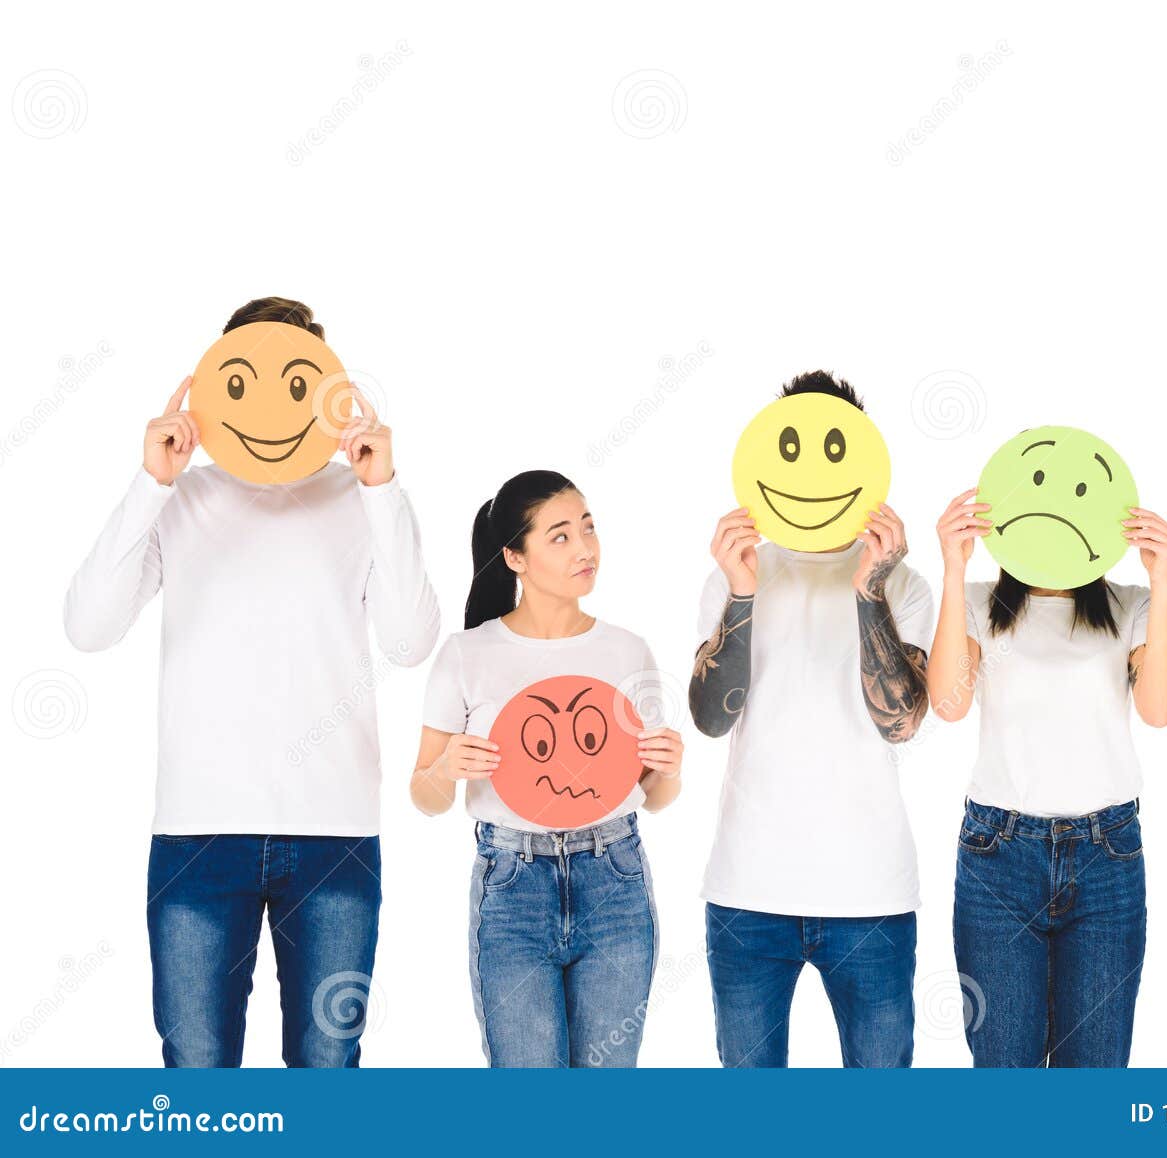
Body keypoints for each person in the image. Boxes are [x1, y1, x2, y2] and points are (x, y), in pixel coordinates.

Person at [63, 296, 439, 1067]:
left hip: (333, 834)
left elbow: (409, 643)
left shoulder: (365, 500)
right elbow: (88, 627)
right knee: (198, 1075)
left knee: (327, 1074)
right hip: (199, 834)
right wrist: (150, 481)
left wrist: (380, 487)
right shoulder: (182, 498)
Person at [689, 370, 934, 1068]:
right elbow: (710, 718)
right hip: (747, 894)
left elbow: (902, 721)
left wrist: (869, 592)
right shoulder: (737, 571)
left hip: (871, 897)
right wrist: (741, 594)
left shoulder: (905, 585)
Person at [412, 470, 683, 1067]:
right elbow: (424, 795)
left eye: (589, 528)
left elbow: (655, 796)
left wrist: (670, 767)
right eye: (559, 536)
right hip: (512, 886)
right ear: (515, 556)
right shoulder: (466, 655)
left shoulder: (628, 651)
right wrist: (447, 768)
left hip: (614, 879)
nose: (585, 548)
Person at [927, 487, 1167, 1066]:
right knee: (1002, 1066)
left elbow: (1159, 708)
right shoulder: (974, 600)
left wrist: (1164, 580)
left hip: (1107, 856)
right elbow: (946, 701)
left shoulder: (1132, 604)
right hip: (998, 856)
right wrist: (951, 565)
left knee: (1095, 1068)